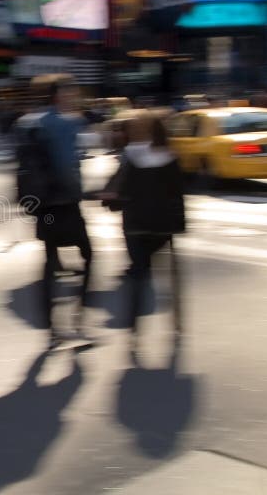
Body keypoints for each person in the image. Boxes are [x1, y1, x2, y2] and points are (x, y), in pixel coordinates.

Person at [15, 74, 93, 349]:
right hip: (65, 204)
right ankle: (77, 323)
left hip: (42, 207)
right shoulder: (62, 123)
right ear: (58, 94)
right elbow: (65, 165)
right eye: (70, 92)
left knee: (50, 260)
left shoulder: (26, 123)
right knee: (89, 255)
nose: (73, 97)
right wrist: (79, 192)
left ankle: (52, 331)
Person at [101, 113, 186, 353]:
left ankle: (133, 331)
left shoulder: (131, 155)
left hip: (135, 226)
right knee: (170, 276)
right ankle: (176, 321)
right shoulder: (170, 155)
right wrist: (178, 224)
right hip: (163, 226)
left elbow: (118, 191)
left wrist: (109, 201)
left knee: (138, 276)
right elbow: (178, 194)